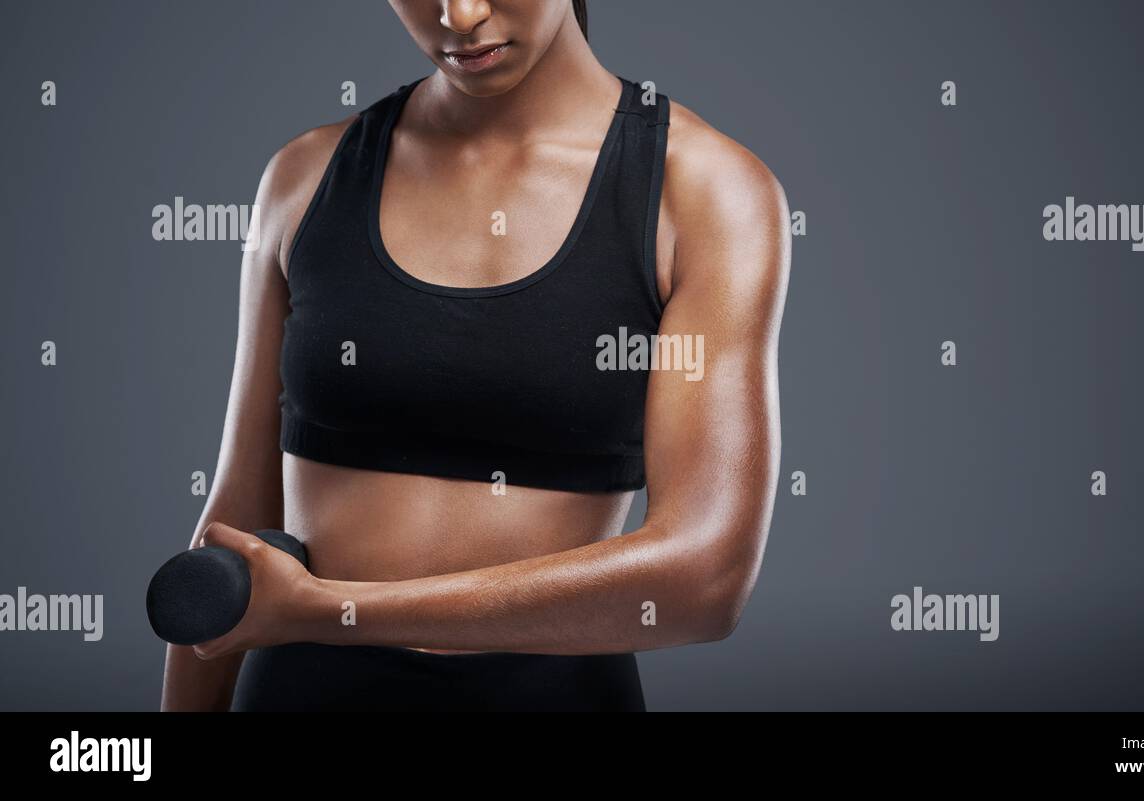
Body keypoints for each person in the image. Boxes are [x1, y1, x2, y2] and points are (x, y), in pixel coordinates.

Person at [160, 0, 790, 711]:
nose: (459, 15)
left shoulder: (706, 193)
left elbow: (705, 580)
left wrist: (328, 610)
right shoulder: (304, 178)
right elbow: (235, 519)